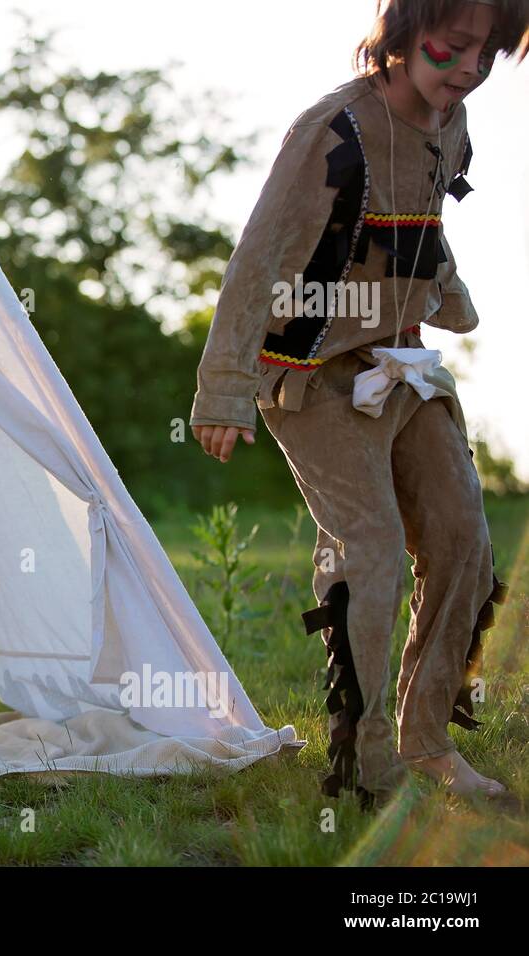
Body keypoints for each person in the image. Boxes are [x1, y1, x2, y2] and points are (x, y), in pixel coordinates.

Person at [190, 0, 526, 807]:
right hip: (307, 371)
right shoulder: (330, 132)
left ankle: (429, 741)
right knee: (369, 551)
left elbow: (425, 227)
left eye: (486, 55)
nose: (468, 69)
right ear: (407, 33)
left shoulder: (456, 121)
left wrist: (444, 300)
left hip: (399, 363)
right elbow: (259, 254)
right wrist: (223, 388)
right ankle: (366, 757)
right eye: (454, 49)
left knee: (463, 543)